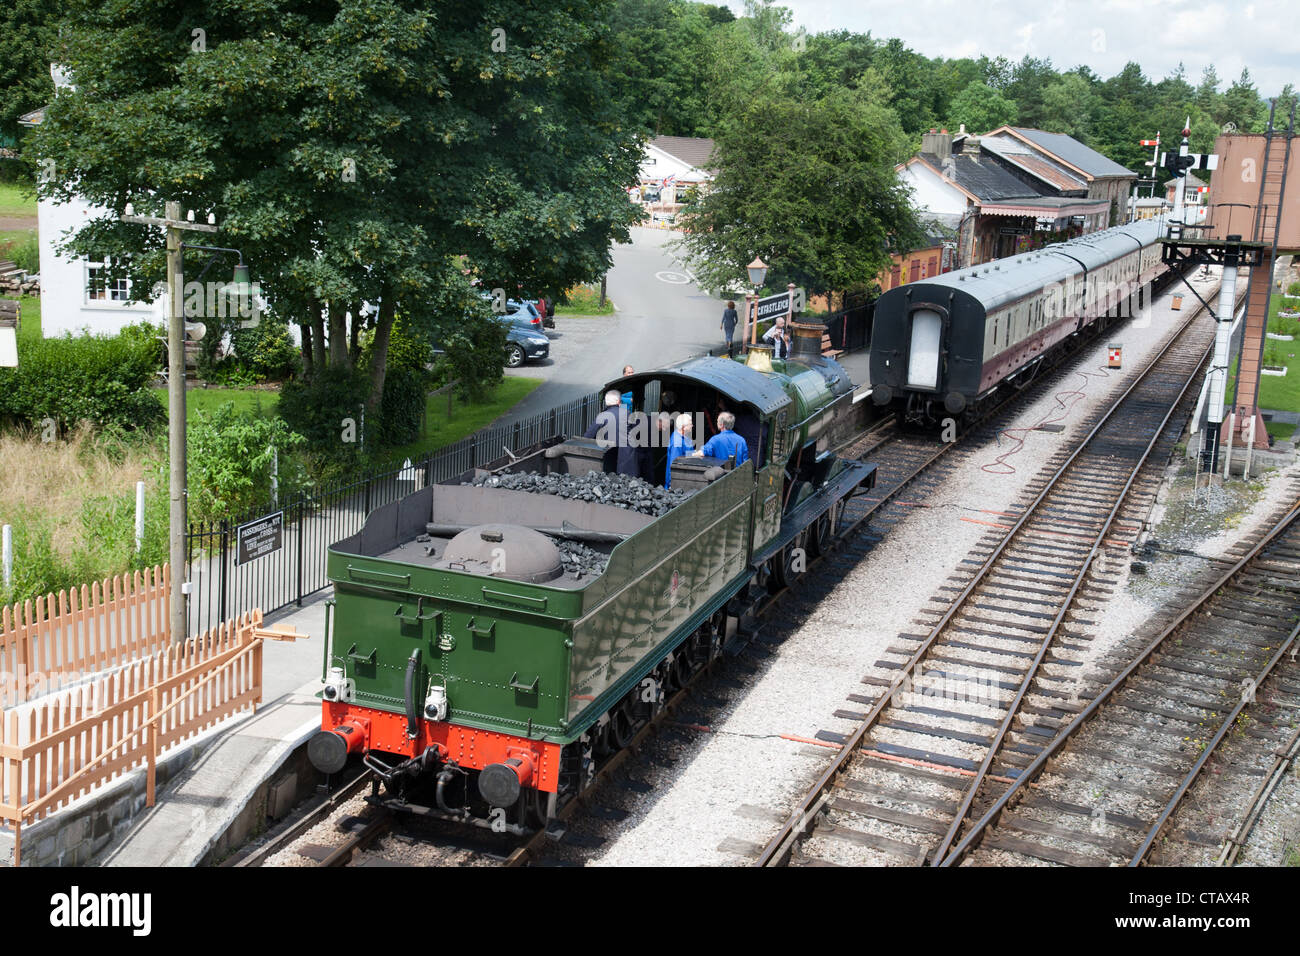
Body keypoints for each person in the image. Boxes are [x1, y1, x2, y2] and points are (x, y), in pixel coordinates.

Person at [665, 413, 694, 488]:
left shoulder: (685, 437)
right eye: (690, 424)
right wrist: (673, 486)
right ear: (683, 427)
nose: (692, 426)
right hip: (677, 483)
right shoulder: (677, 442)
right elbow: (674, 465)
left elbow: (687, 455)